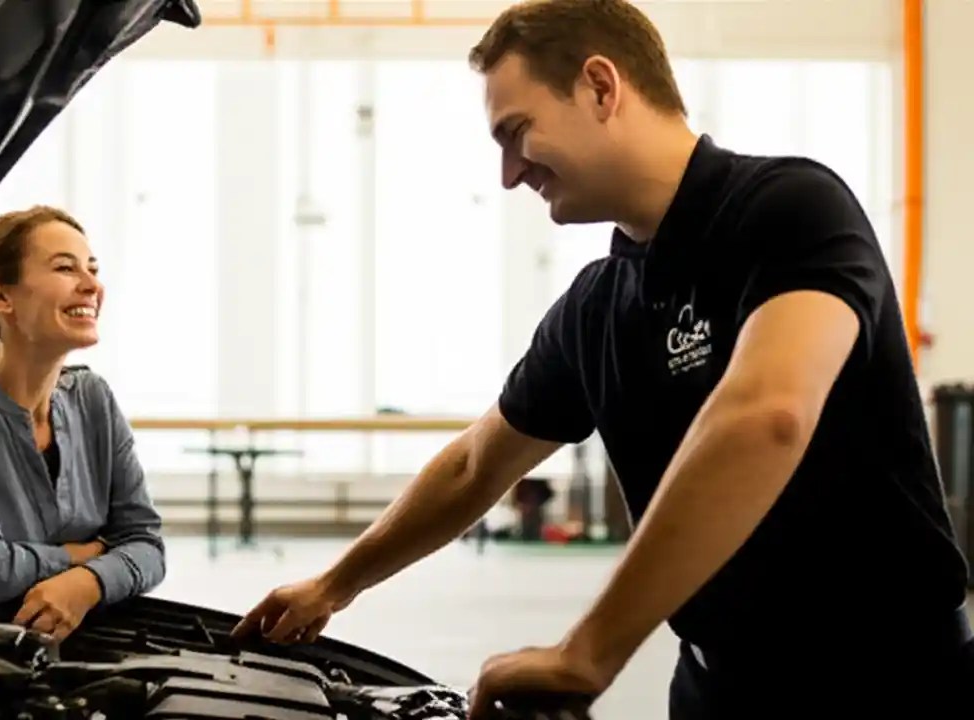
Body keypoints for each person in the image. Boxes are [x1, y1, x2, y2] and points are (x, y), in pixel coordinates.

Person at [229, 1, 973, 717]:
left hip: (888, 683)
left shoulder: (789, 209)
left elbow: (768, 416)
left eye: (517, 133)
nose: (509, 174)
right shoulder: (598, 307)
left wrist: (588, 652)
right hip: (717, 686)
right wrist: (335, 584)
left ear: (600, 86)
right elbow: (474, 466)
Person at [0, 205, 165, 641]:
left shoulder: (94, 398)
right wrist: (87, 553)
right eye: (64, 267)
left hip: (93, 646)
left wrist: (87, 582)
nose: (92, 285)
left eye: (92, 269)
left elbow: (148, 546)